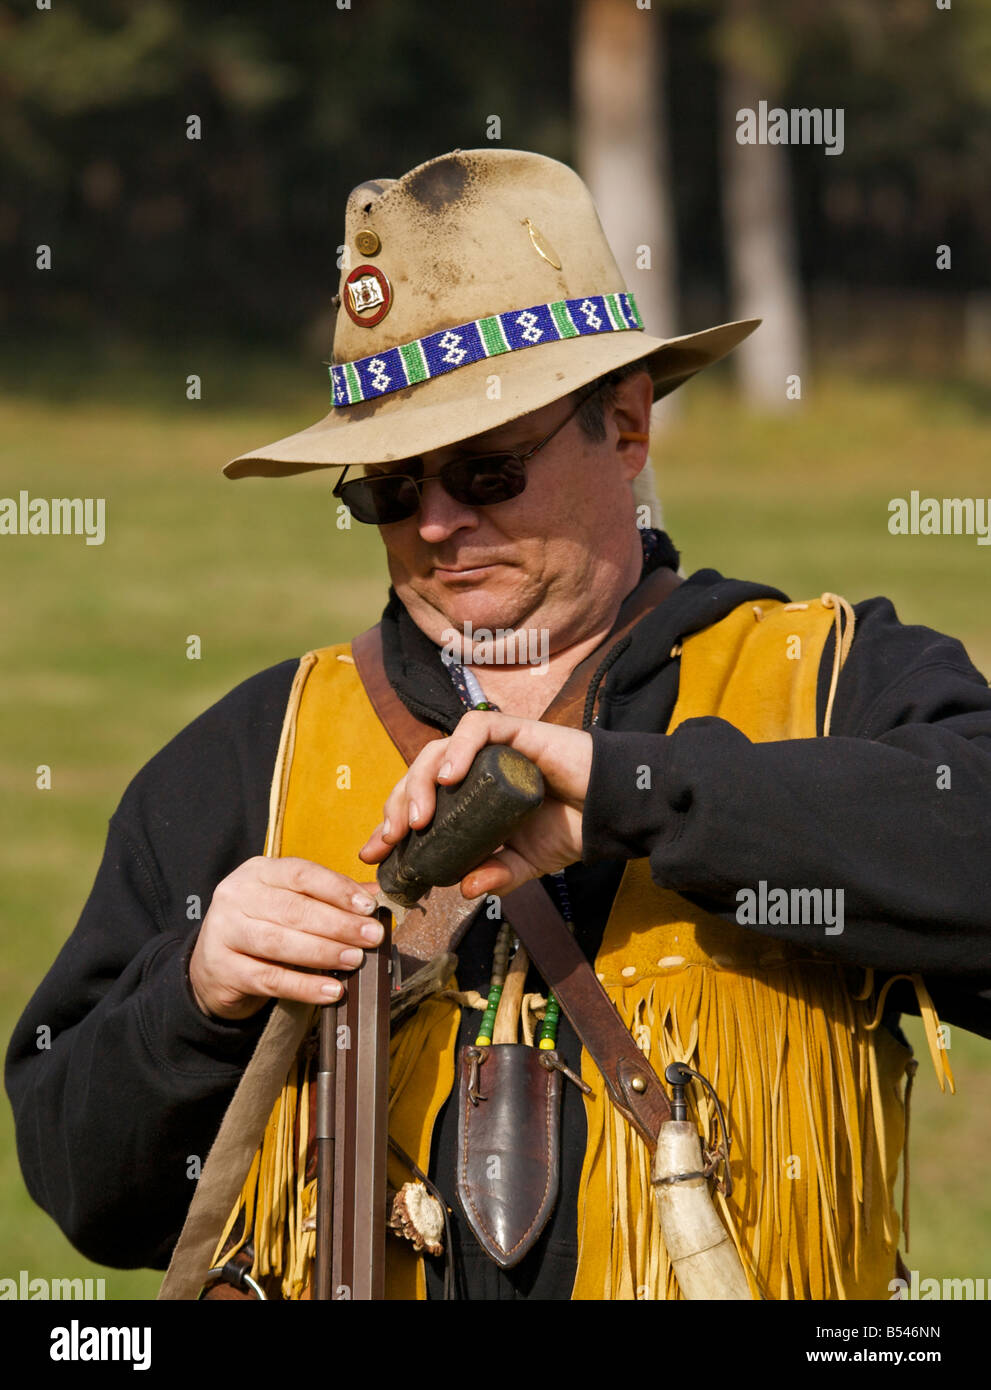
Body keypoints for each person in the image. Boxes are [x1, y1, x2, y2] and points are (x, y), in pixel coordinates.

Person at [7, 148, 990, 1302]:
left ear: (626, 428)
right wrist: (200, 991)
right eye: (384, 485)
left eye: (484, 471)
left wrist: (638, 794)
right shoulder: (245, 755)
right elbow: (79, 1184)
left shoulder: (834, 681)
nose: (432, 523)